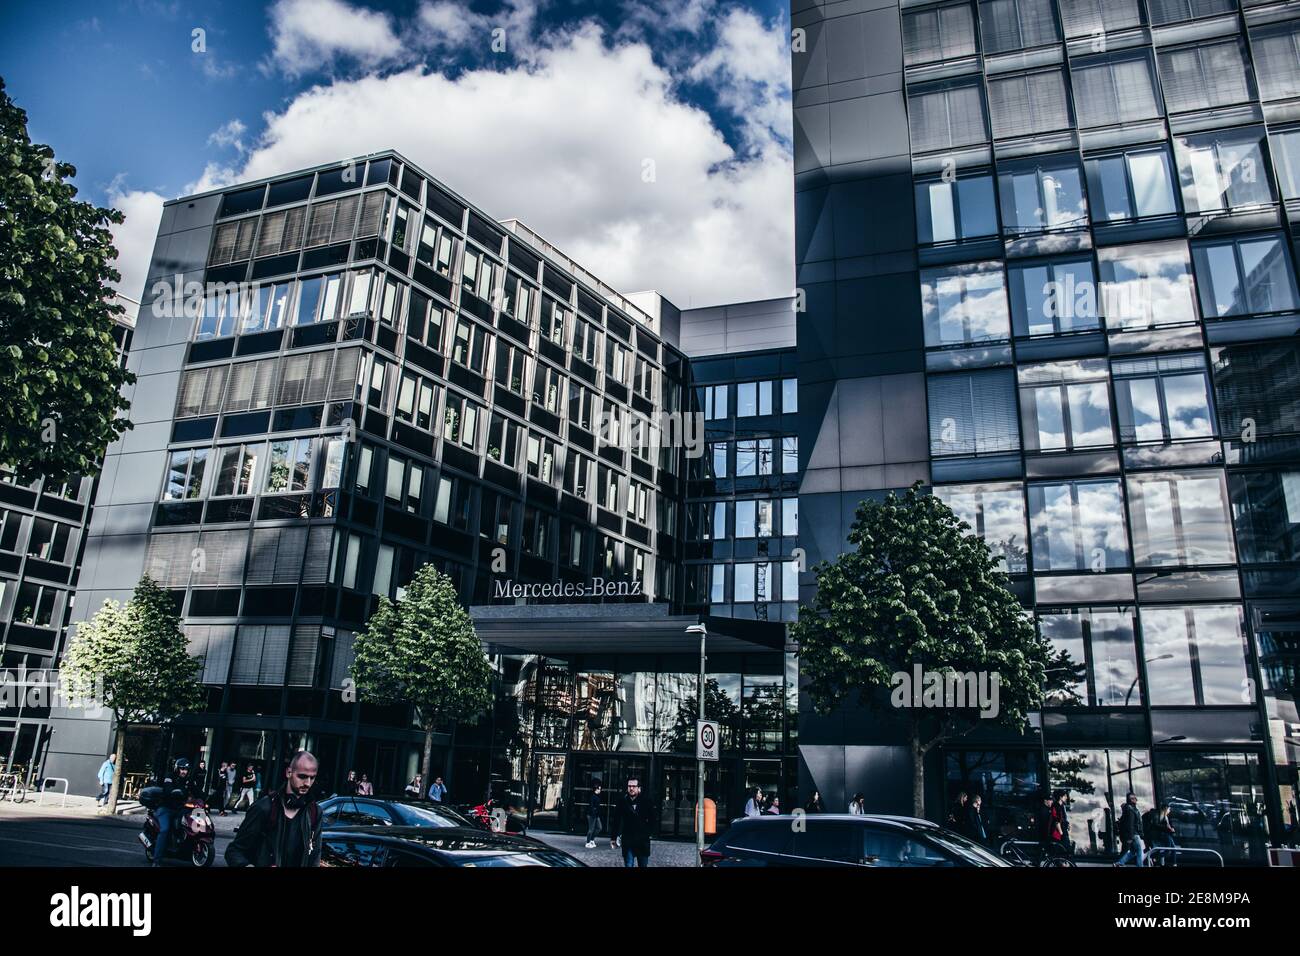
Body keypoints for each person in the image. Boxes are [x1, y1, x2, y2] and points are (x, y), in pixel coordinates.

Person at [225, 751, 323, 868]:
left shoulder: (315, 812)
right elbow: (234, 852)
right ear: (289, 772)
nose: (307, 783)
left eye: (312, 778)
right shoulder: (263, 808)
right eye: (302, 776)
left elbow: (315, 857)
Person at [151, 757, 194, 864]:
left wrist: (205, 798)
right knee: (165, 829)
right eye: (182, 769)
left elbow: (196, 790)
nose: (184, 771)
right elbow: (167, 789)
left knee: (188, 826)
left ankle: (182, 848)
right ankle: (156, 860)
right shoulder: (169, 777)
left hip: (180, 809)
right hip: (166, 808)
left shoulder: (188, 780)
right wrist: (174, 791)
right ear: (177, 769)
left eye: (186, 769)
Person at [609, 776, 655, 867]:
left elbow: (653, 819)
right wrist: (613, 837)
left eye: (634, 786)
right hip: (628, 840)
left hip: (642, 841)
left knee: (643, 865)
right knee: (628, 864)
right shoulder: (622, 801)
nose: (631, 788)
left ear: (639, 788)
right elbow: (616, 820)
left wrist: (648, 833)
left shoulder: (646, 801)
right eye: (629, 786)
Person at [1115, 792, 1146, 867]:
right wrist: (1130, 837)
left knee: (1133, 851)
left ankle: (1119, 863)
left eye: (1135, 798)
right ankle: (1139, 866)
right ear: (1131, 799)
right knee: (1139, 851)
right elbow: (1130, 824)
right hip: (1134, 834)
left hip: (1134, 834)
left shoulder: (1132, 809)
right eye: (1134, 798)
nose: (1136, 799)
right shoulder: (1130, 809)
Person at [585, 782, 603, 848]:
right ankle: (587, 843)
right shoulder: (592, 796)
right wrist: (593, 813)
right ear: (596, 789)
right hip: (591, 815)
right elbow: (591, 806)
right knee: (591, 829)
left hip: (596, 815)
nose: (600, 790)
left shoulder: (597, 796)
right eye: (599, 789)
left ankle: (592, 840)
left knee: (599, 827)